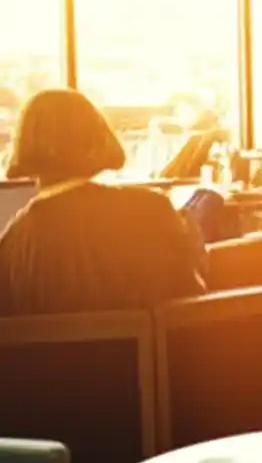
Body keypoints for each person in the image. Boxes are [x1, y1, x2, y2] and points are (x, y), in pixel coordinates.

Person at [0, 90, 205, 316]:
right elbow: (190, 299)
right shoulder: (151, 208)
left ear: (25, 146)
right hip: (148, 352)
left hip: (51, 353)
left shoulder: (10, 248)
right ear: (96, 137)